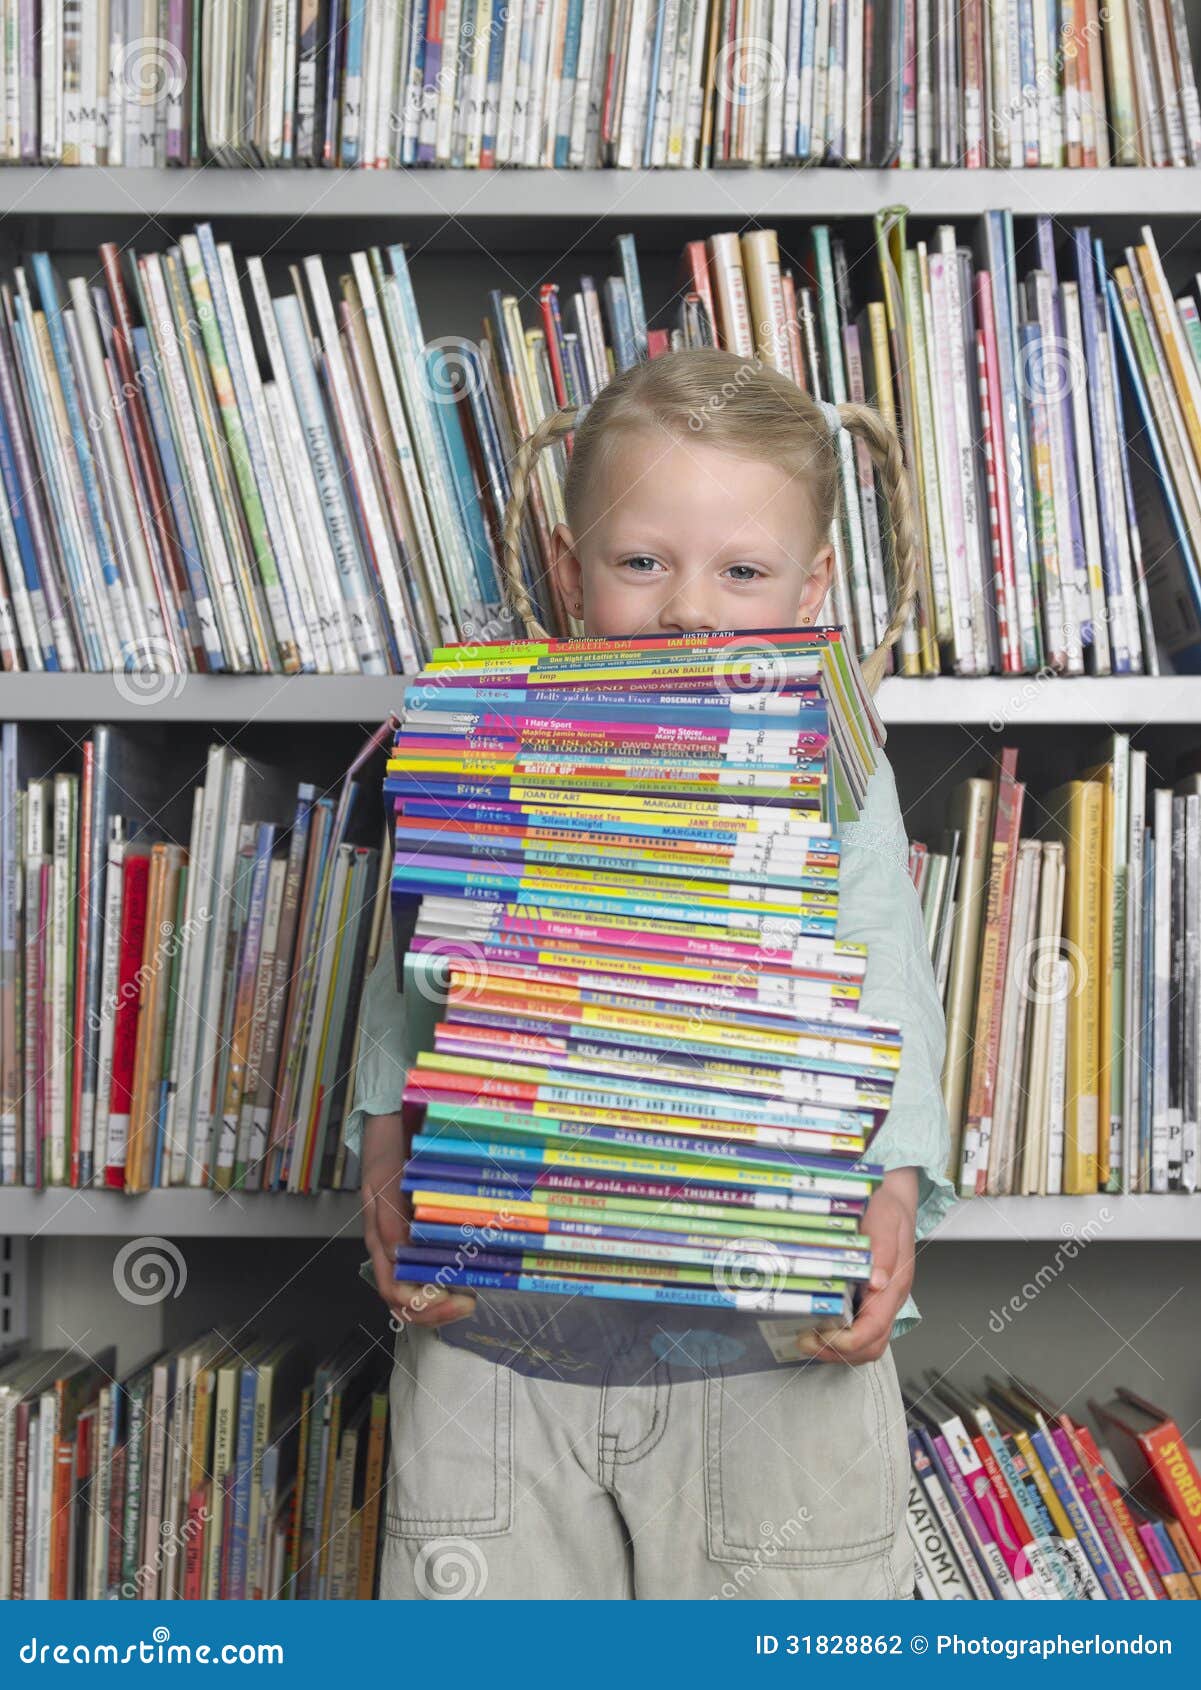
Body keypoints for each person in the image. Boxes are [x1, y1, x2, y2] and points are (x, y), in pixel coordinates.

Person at [344, 348, 955, 1600]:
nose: (691, 611)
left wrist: (891, 1191)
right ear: (570, 573)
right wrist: (384, 1151)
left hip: (764, 1346)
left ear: (811, 586)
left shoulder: (838, 761)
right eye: (641, 562)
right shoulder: (494, 733)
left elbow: (885, 973)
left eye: (742, 571)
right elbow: (419, 952)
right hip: (504, 1338)